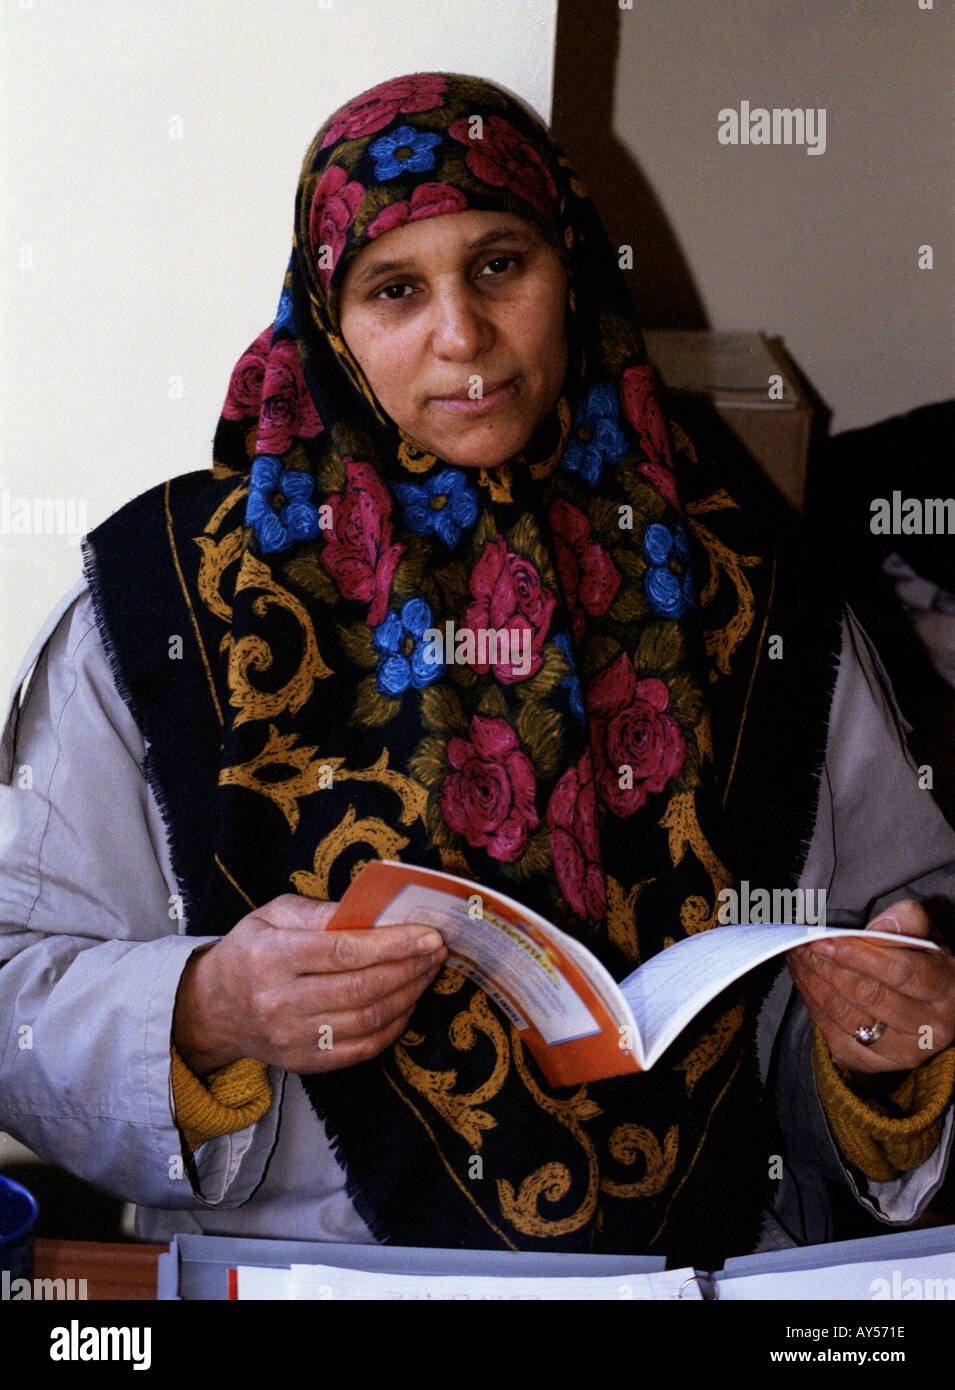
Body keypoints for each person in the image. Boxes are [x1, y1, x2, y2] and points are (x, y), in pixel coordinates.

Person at [1, 72, 953, 1268]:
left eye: (501, 264)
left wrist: (880, 1056)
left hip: (701, 1278)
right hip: (316, 1278)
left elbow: (886, 961)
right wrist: (206, 1010)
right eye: (395, 289)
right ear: (326, 322)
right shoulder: (167, 604)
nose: (463, 335)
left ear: (572, 273)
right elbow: (12, 990)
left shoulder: (756, 590)